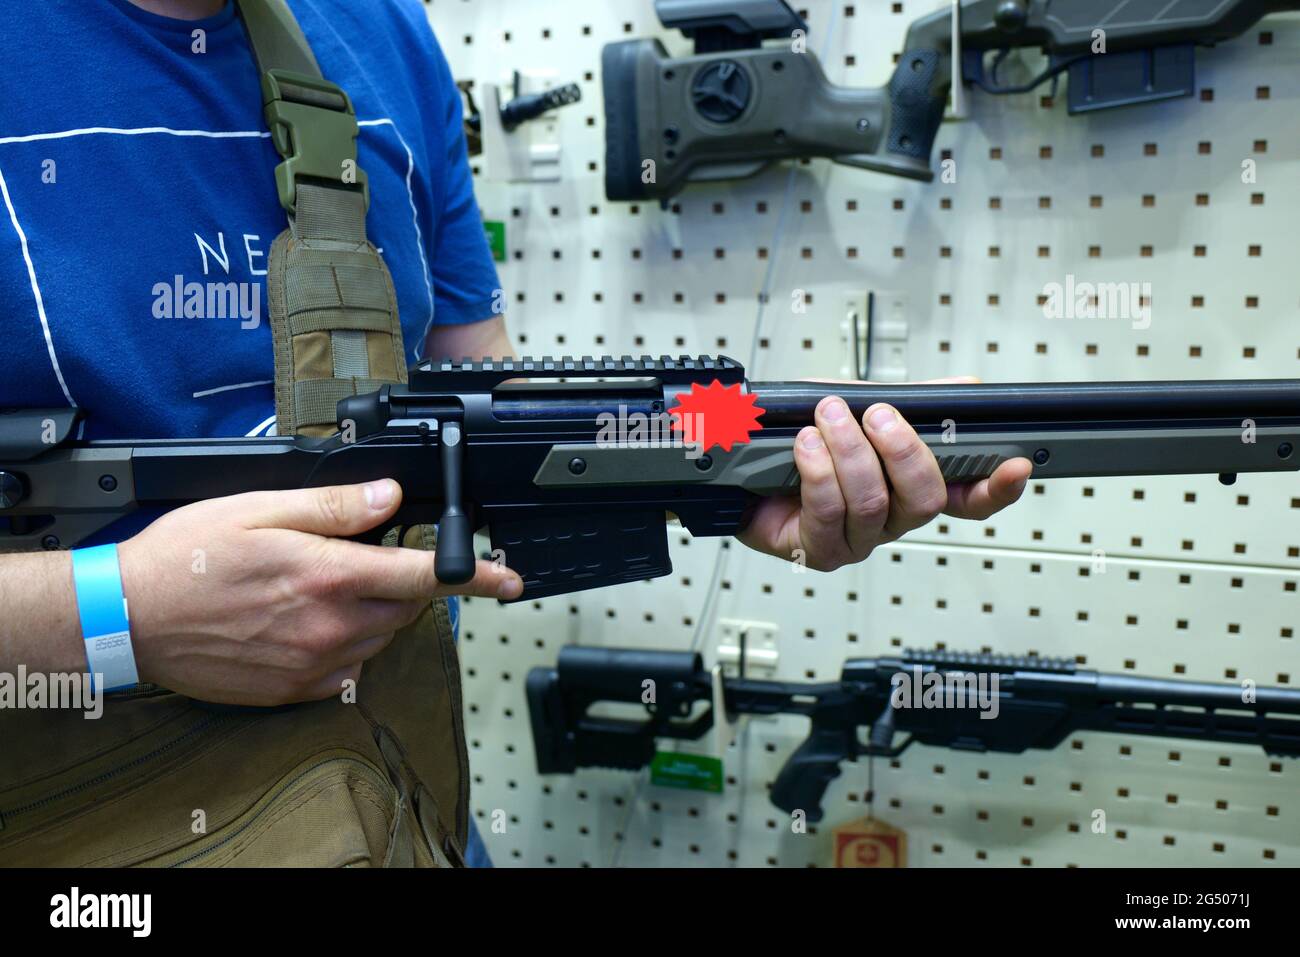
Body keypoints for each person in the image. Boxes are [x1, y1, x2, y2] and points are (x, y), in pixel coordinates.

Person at [0, 0, 1030, 867]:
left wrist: (764, 438)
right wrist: (116, 617)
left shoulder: (378, 32)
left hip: (396, 803)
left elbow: (508, 412)